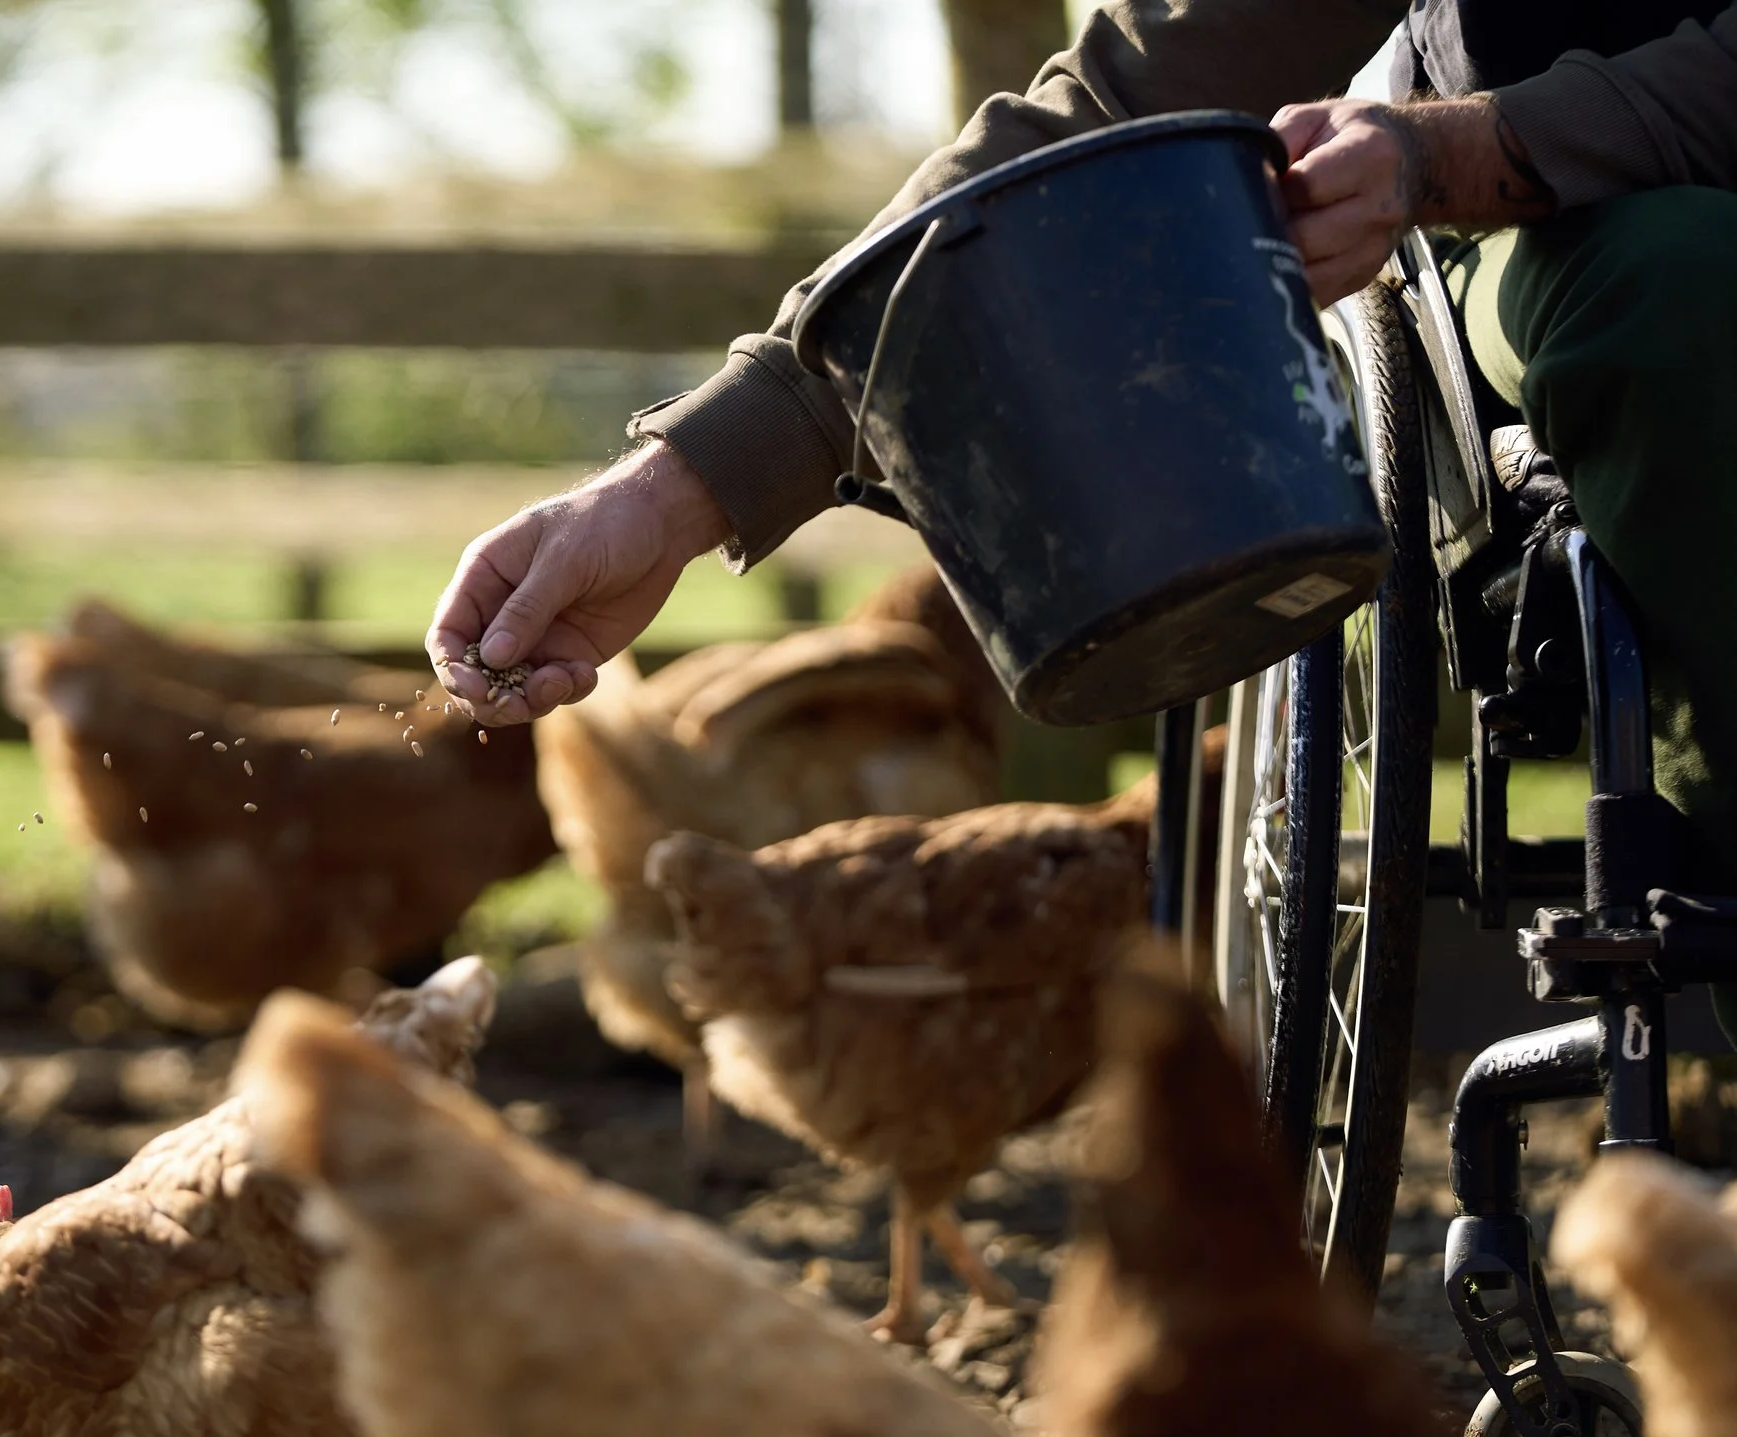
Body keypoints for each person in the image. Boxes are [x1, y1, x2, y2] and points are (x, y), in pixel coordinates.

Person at [428, 0, 1737, 871]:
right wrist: (681, 481)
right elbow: (1129, 89)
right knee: (1676, 285)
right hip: (1607, 240)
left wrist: (1479, 138)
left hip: (1536, 162)